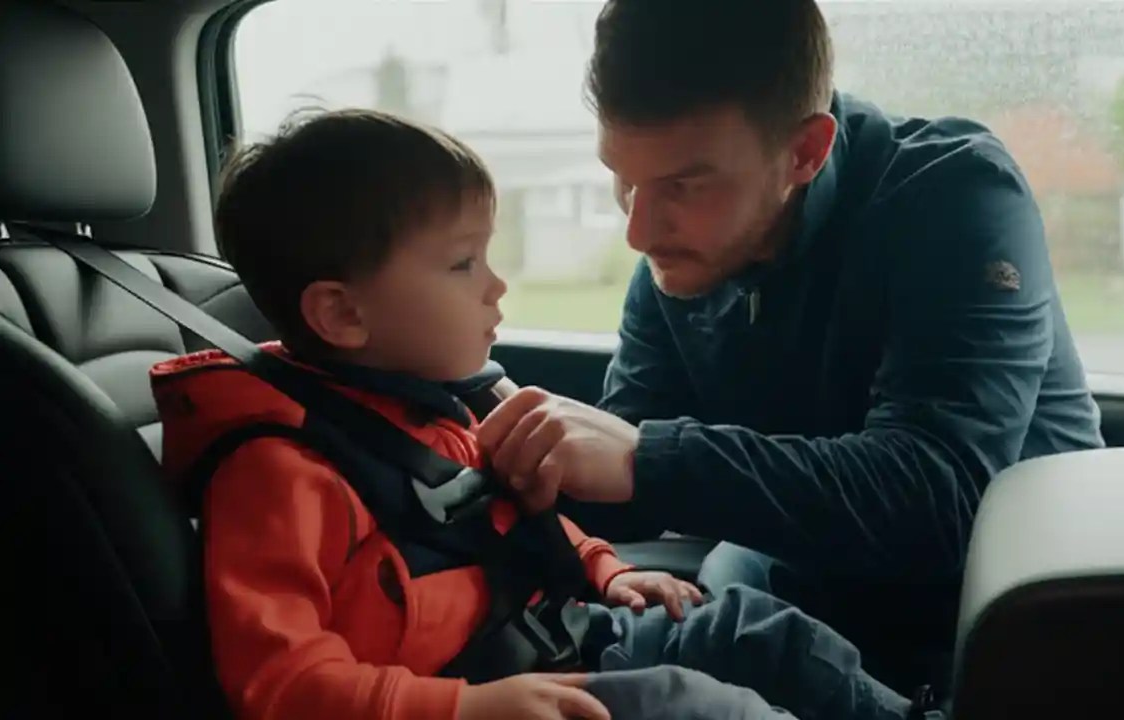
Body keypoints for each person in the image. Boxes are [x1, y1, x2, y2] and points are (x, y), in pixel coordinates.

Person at [152, 108, 923, 720]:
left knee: (755, 628)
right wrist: (464, 709)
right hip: (476, 690)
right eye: (462, 265)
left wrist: (607, 570)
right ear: (342, 315)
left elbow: (510, 525)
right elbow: (277, 686)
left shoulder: (426, 408)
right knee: (699, 708)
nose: (496, 287)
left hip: (558, 637)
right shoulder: (278, 470)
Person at [478, 0, 1105, 690]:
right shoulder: (681, 253)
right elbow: (623, 478)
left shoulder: (956, 193)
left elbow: (942, 495)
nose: (638, 228)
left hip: (1009, 616)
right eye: (622, 177)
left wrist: (647, 458)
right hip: (806, 593)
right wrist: (480, 456)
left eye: (683, 185)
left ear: (805, 151)